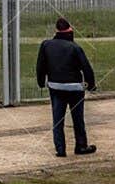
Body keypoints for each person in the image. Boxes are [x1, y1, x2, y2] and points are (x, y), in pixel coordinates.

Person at [36, 17, 97, 157]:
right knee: (78, 118)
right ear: (69, 31)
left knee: (57, 119)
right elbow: (86, 68)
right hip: (75, 88)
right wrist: (91, 85)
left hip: (55, 87)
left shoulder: (46, 45)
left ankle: (60, 149)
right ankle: (81, 146)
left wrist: (41, 81)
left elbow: (41, 66)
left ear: (56, 31)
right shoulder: (75, 47)